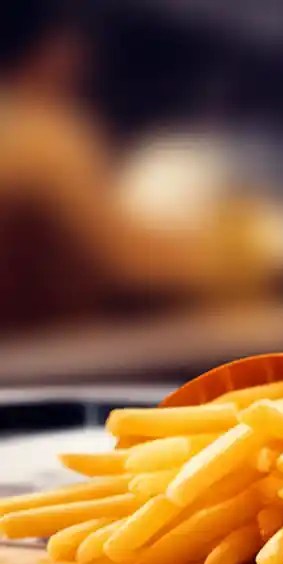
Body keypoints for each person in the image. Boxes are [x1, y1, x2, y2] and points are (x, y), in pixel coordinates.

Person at [0, 0, 212, 334]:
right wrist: (228, 255)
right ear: (54, 49)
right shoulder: (41, 134)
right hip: (44, 348)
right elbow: (124, 264)